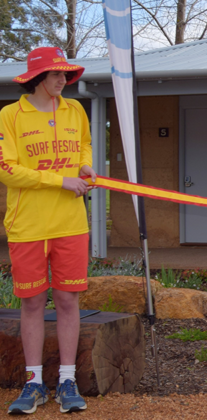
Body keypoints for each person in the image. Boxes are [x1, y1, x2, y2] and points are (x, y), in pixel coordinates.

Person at [1, 46, 96, 414]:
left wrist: (84, 166)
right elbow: (7, 169)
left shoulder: (75, 110)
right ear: (38, 78)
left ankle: (67, 381)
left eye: (66, 73)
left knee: (69, 301)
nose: (64, 79)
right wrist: (60, 180)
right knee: (32, 303)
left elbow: (84, 145)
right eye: (57, 73)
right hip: (28, 225)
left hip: (71, 224)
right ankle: (33, 383)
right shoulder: (10, 116)